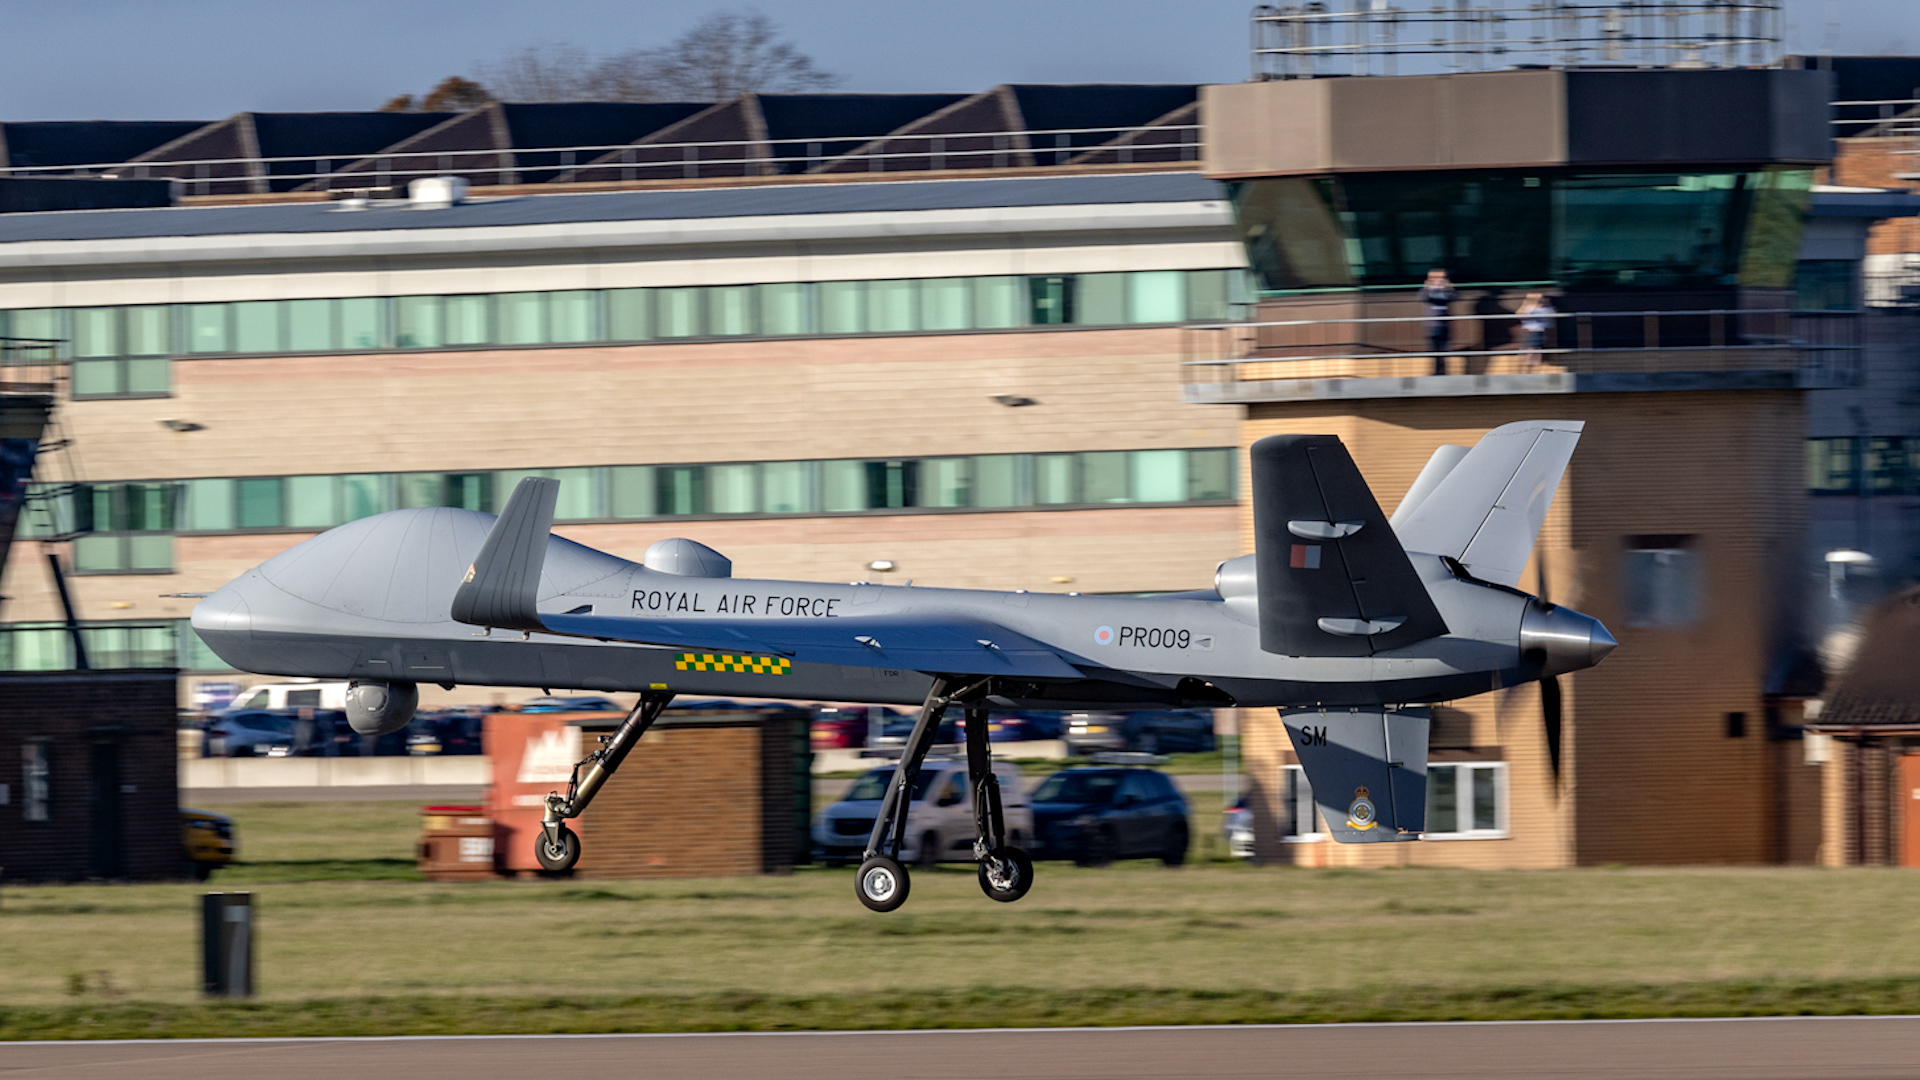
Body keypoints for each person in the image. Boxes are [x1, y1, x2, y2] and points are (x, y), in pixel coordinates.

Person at [1420, 269, 1456, 375]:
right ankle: (1436, 371)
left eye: (1442, 278)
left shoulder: (1446, 291)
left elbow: (1455, 296)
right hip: (1432, 326)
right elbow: (1423, 297)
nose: (1438, 281)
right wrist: (1427, 286)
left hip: (1445, 325)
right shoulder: (1428, 291)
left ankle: (1443, 371)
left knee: (1444, 350)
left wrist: (1449, 286)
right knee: (1434, 350)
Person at [1517, 291, 1556, 370]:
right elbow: (1520, 314)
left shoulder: (1546, 308)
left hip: (1541, 330)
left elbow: (1553, 314)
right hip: (1530, 330)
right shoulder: (1529, 307)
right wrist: (1528, 303)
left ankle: (1535, 364)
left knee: (1537, 347)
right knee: (1530, 348)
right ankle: (1528, 363)